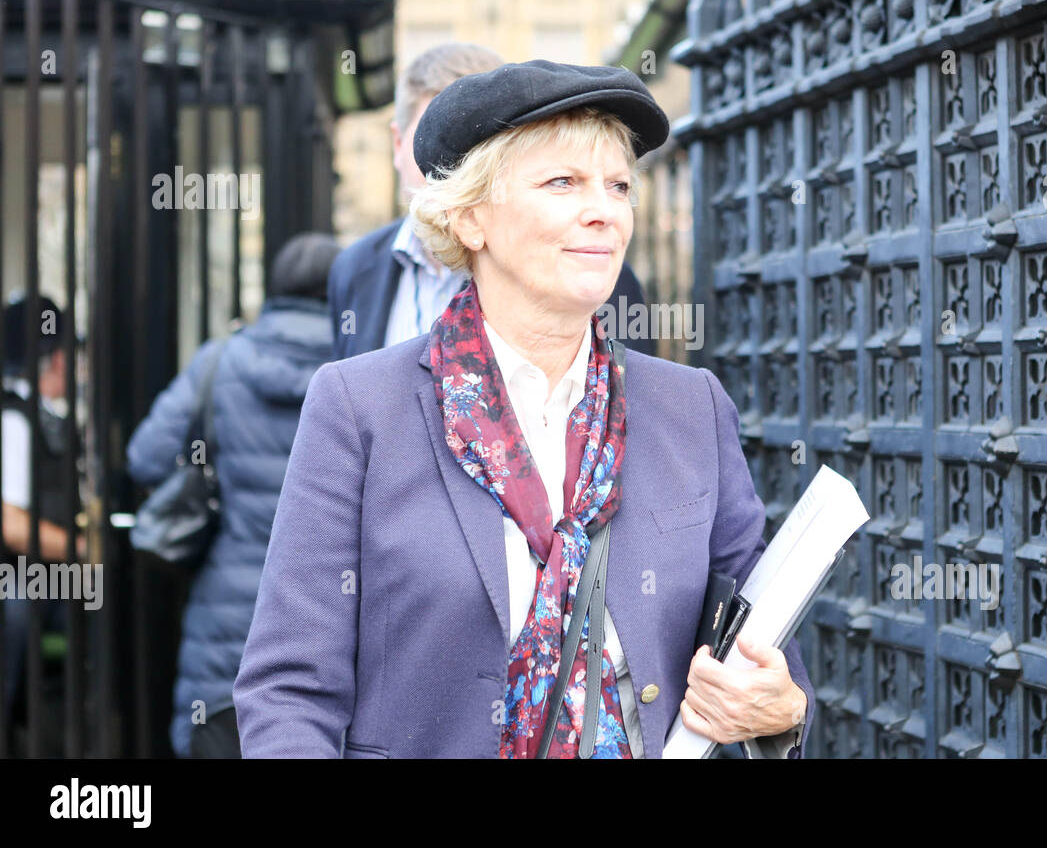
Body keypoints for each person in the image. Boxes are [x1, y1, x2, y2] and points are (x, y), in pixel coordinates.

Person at [235, 61, 814, 758]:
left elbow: (762, 651)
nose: (604, 209)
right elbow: (289, 690)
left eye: (619, 186)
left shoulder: (692, 408)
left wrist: (780, 708)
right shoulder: (360, 408)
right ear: (472, 217)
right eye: (563, 182)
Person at [126, 233, 340, 758]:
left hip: (228, 608)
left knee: (218, 736)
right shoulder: (362, 366)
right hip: (331, 602)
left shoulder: (222, 361)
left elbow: (145, 457)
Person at [328, 41, 655, 361]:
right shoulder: (354, 270)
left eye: (619, 186)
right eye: (433, 145)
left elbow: (635, 396)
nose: (448, 173)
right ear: (398, 143)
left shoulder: (593, 269)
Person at [1, 294, 78, 725]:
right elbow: (13, 527)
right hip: (21, 574)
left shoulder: (50, 418)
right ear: (54, 358)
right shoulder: (14, 418)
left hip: (49, 575)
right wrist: (85, 548)